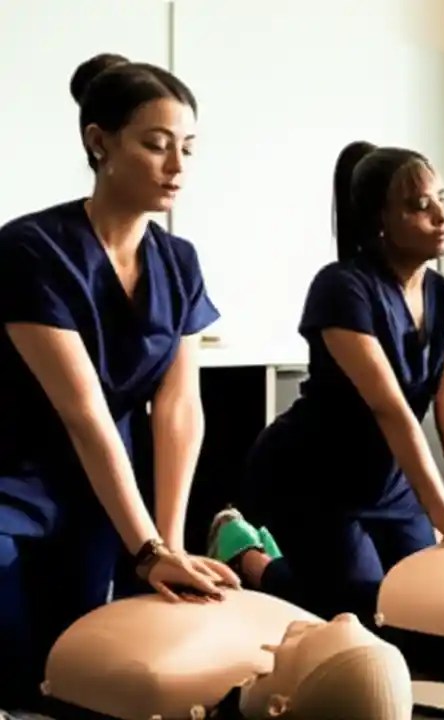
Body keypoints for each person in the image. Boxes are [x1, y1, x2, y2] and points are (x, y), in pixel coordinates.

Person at [206, 141, 444, 627]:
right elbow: (391, 407)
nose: (441, 216)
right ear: (380, 221)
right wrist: (443, 517)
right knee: (365, 610)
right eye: (420, 207)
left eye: (443, 199)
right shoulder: (341, 288)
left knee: (421, 602)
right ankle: (244, 554)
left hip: (388, 482)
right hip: (310, 478)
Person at [0, 53, 238, 708]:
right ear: (98, 142)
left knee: (74, 666)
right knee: (17, 663)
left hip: (105, 495)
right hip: (17, 482)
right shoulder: (30, 250)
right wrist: (148, 546)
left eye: (188, 148)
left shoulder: (179, 261)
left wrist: (170, 545)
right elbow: (84, 413)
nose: (177, 167)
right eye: (157, 146)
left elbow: (179, 410)